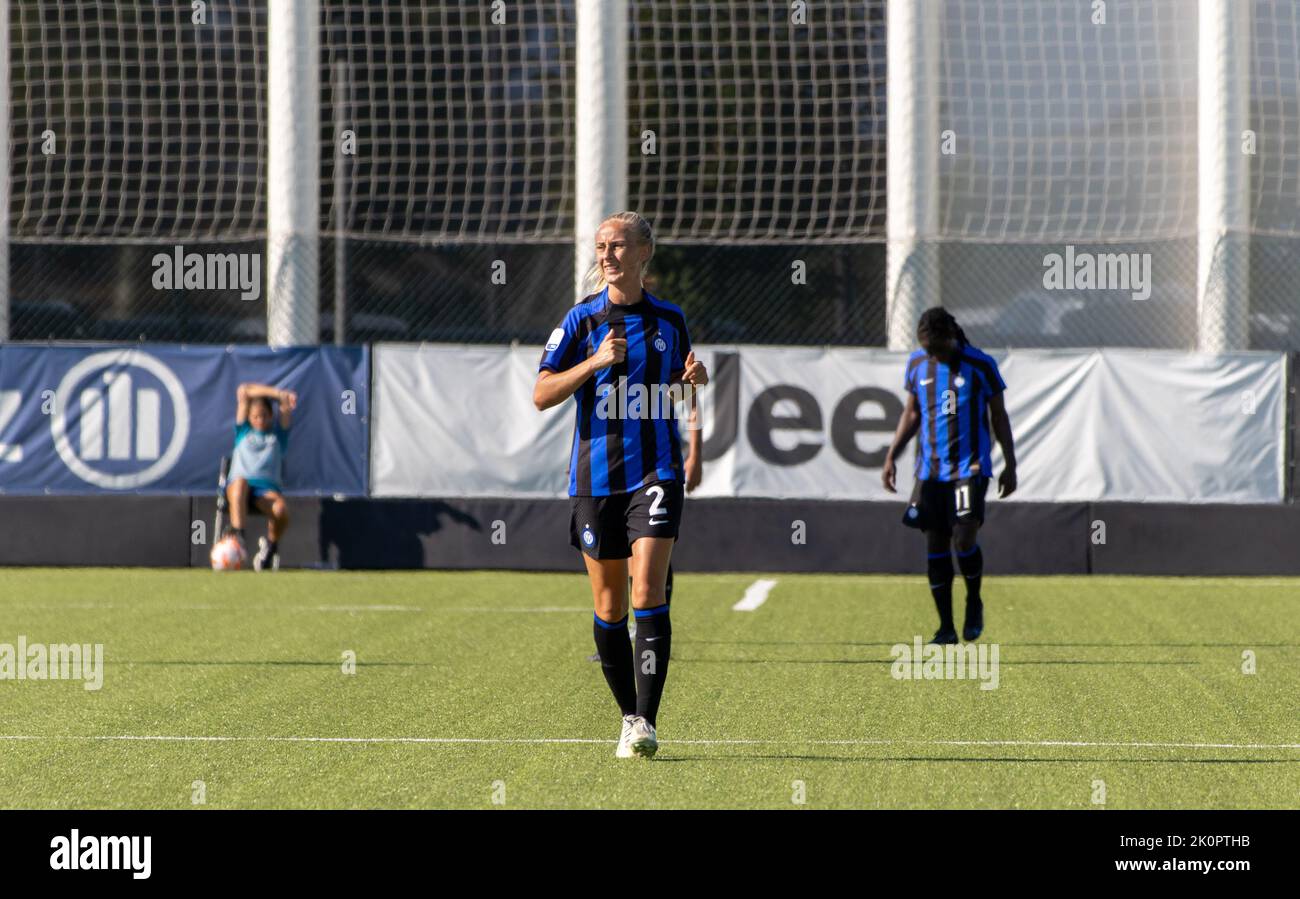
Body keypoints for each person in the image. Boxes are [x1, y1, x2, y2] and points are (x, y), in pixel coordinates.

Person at [533, 211, 708, 759]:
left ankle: (647, 723)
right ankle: (627, 715)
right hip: (594, 479)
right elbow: (541, 394)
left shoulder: (670, 320)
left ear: (642, 253)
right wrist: (593, 363)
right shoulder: (581, 321)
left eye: (616, 245)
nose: (605, 254)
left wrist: (691, 385)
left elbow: (675, 399)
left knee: (647, 592)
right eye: (600, 246)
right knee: (610, 607)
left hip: (656, 474)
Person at [881, 308, 1017, 644]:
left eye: (938, 348)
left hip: (970, 467)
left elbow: (999, 417)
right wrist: (891, 455)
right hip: (930, 472)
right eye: (928, 349)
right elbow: (911, 413)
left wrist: (1010, 464)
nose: (933, 355)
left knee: (964, 539)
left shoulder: (980, 365)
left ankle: (974, 600)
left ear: (952, 337)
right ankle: (946, 627)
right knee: (936, 543)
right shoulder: (917, 365)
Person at [225, 382, 297, 572]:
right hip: (239, 490)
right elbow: (244, 390)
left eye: (264, 415)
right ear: (249, 417)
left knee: (281, 509)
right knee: (240, 483)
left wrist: (283, 400)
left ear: (271, 416)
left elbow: (285, 407)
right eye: (256, 416)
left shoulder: (278, 437)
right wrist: (277, 393)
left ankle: (270, 548)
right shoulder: (243, 432)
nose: (260, 420)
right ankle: (238, 539)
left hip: (265, 490)